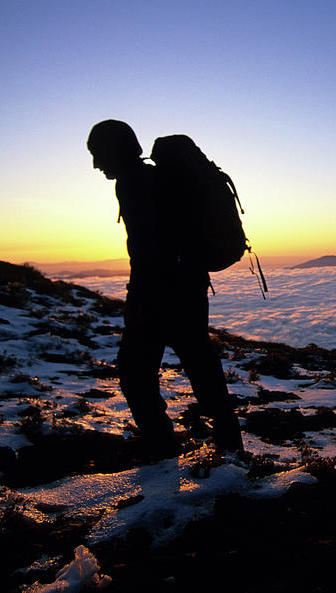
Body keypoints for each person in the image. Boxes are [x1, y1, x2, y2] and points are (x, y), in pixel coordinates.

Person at [86, 119, 243, 454]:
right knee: (201, 367)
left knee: (134, 373)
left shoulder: (132, 182)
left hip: (159, 293)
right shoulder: (154, 177)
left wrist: (140, 298)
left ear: (116, 149)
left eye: (97, 154)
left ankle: (161, 443)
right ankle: (230, 445)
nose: (96, 164)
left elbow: (149, 248)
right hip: (189, 285)